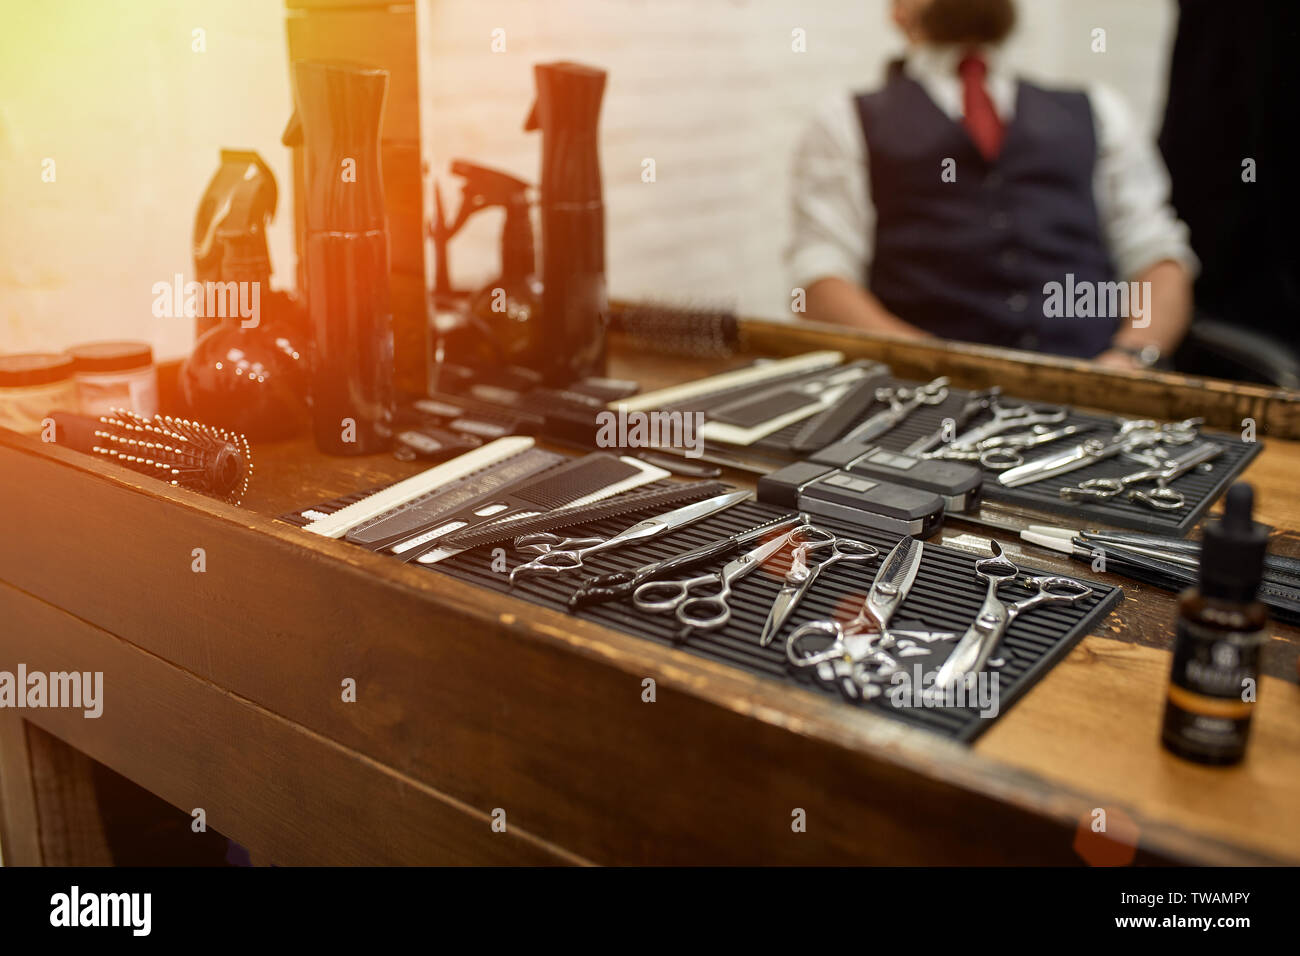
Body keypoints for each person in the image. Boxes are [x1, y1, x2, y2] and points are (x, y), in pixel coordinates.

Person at [787, 0, 1197, 369]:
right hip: (930, 403)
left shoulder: (1099, 110)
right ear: (897, 10)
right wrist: (933, 365)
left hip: (1101, 384)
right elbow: (822, 276)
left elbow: (1155, 255)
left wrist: (1130, 356)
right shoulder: (845, 121)